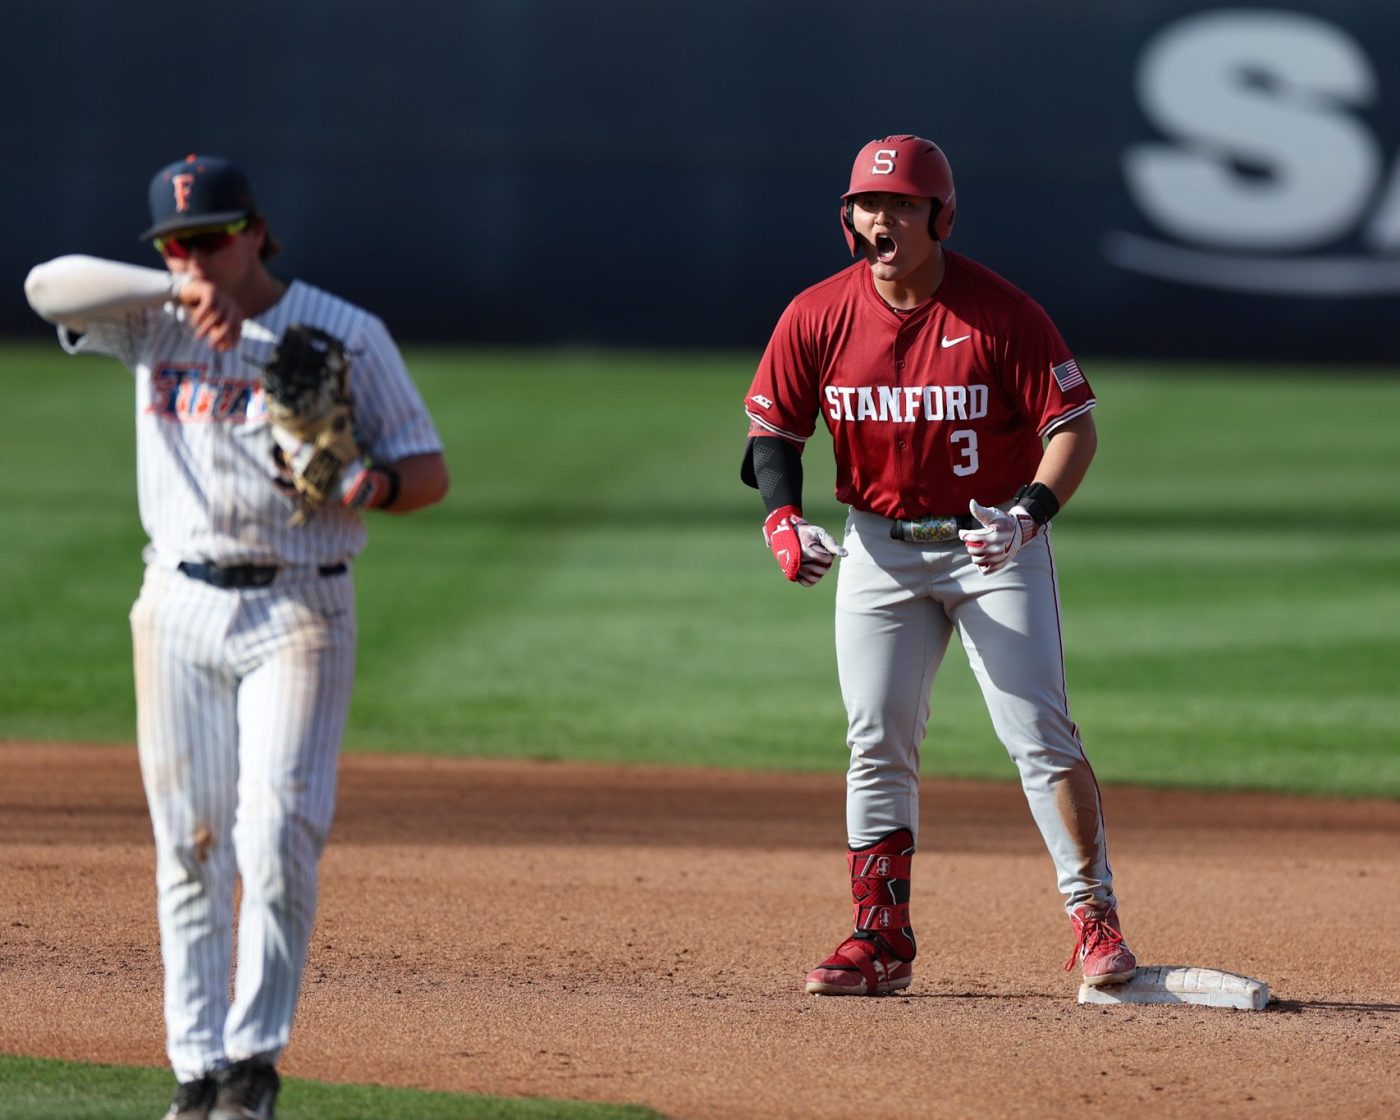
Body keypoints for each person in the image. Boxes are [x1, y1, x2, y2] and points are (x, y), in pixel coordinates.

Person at [24, 153, 449, 1118]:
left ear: (256, 232)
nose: (196, 257)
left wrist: (368, 484)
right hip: (176, 604)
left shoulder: (344, 332)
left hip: (299, 607)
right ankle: (197, 1069)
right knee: (189, 844)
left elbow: (428, 471)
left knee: (277, 831)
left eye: (211, 238)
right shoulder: (149, 319)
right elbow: (45, 285)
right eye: (176, 244)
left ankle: (252, 1064)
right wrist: (171, 288)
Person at [741, 134, 1136, 997]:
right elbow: (773, 433)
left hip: (991, 544)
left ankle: (1094, 917)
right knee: (875, 741)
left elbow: (1073, 429)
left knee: (1039, 733)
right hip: (877, 550)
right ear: (848, 216)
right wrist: (782, 520)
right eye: (868, 204)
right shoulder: (816, 314)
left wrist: (1028, 517)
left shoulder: (1003, 313)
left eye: (902, 205)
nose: (882, 219)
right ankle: (880, 939)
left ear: (940, 217)